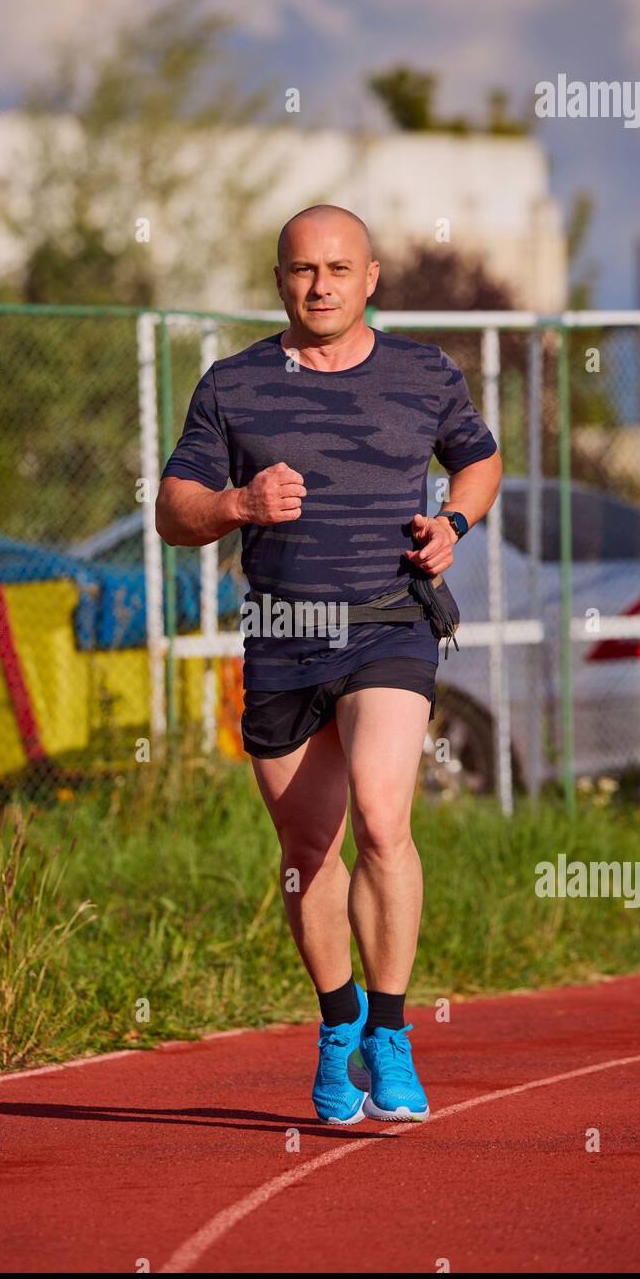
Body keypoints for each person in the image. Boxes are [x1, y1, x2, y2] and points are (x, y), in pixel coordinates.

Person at [155, 204, 501, 1124]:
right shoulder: (232, 386)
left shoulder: (424, 373)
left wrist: (453, 525)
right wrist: (236, 501)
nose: (321, 286)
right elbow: (172, 512)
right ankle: (339, 1021)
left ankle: (391, 1033)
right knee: (308, 852)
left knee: (383, 818)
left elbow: (479, 460)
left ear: (371, 277)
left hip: (389, 621)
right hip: (281, 634)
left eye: (338, 270)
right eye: (303, 271)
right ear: (279, 281)